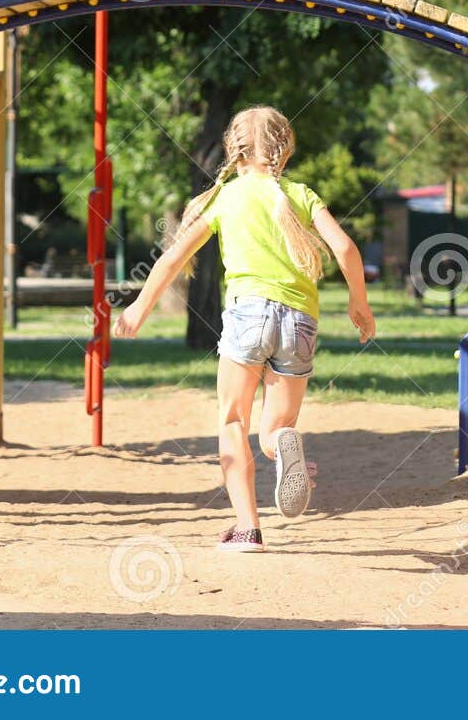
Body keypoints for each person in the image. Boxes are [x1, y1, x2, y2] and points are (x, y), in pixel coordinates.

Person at [112, 106, 376, 553]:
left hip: (247, 317)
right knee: (275, 427)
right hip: (300, 322)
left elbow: (173, 257)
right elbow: (346, 248)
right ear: (284, 151)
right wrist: (359, 303)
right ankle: (281, 444)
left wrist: (139, 306)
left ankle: (247, 529)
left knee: (233, 419)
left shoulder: (225, 198)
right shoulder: (300, 194)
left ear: (232, 151)